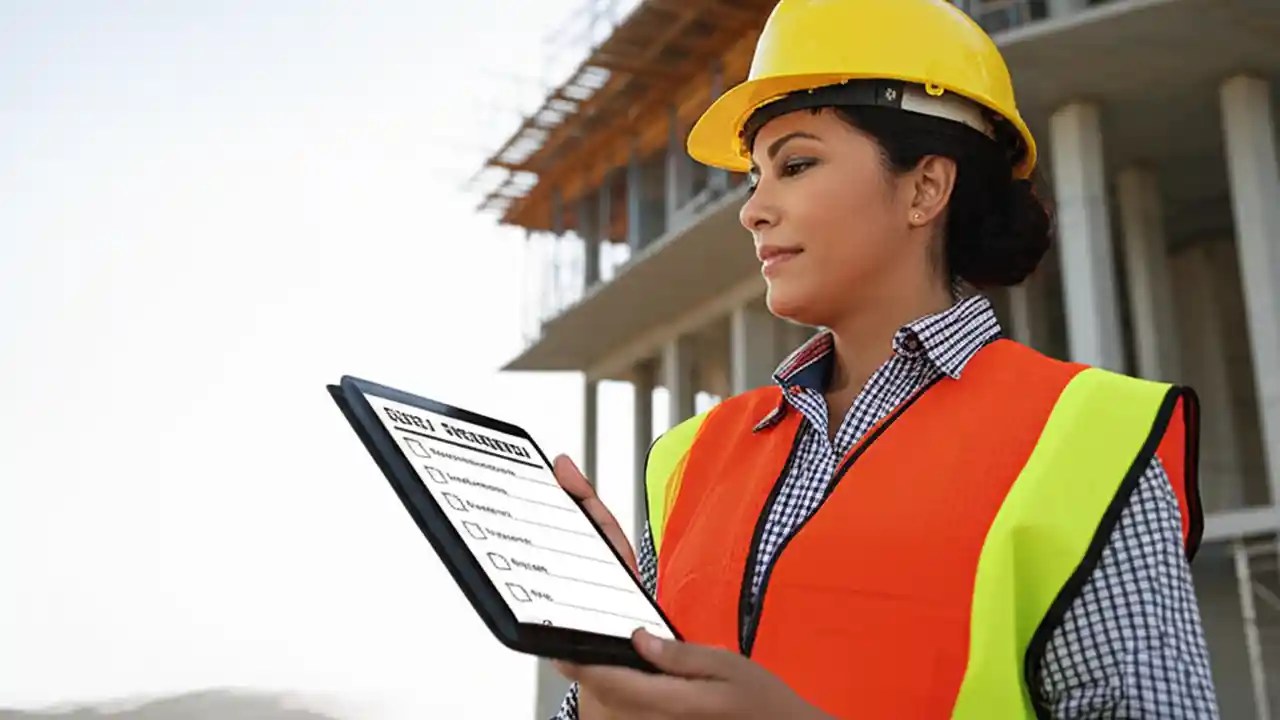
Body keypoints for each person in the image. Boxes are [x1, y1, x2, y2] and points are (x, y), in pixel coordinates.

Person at [547, 0, 1219, 717]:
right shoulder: (684, 462)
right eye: (754, 179)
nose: (753, 209)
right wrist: (612, 676)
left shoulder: (1095, 439)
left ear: (925, 188)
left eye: (796, 164)